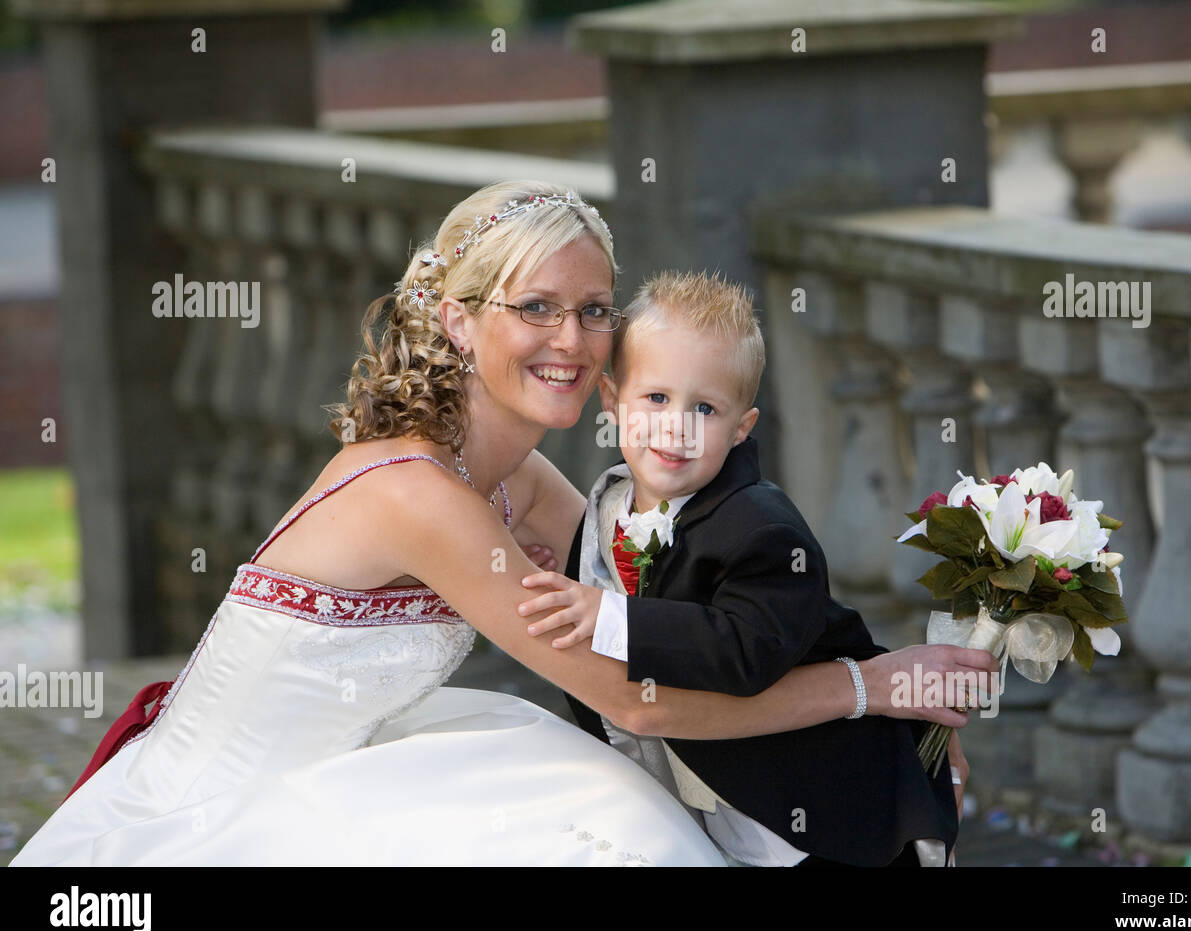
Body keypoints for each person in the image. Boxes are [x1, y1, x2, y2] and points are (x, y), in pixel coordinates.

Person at [10, 180, 994, 866]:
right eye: (536, 306)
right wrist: (863, 688)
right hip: (224, 811)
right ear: (456, 320)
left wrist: (889, 690)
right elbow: (639, 701)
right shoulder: (415, 493)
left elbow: (686, 604)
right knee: (611, 836)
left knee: (606, 803)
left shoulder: (510, 476)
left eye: (595, 308)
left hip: (354, 755)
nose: (573, 340)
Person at [517, 270, 967, 866]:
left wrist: (614, 616)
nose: (675, 426)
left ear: (741, 428)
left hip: (810, 811)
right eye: (655, 398)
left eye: (704, 407)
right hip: (704, 802)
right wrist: (568, 574)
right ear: (611, 400)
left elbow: (743, 652)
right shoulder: (609, 501)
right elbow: (609, 587)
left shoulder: (763, 528)